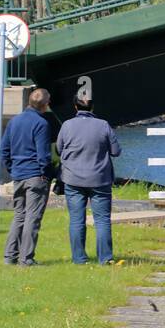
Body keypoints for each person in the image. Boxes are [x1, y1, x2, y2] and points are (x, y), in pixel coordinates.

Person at [56, 96, 121, 265]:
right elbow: (116, 151)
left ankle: (79, 259)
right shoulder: (103, 125)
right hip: (99, 178)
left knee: (77, 220)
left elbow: (59, 149)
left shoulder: (67, 125)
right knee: (102, 220)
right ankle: (105, 258)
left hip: (73, 179)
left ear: (75, 107)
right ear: (92, 108)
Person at [0, 88, 54, 266]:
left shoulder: (14, 121)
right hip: (35, 175)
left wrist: (13, 169)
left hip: (18, 174)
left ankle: (10, 256)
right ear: (45, 105)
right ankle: (26, 258)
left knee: (19, 215)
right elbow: (43, 156)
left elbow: (4, 150)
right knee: (32, 217)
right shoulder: (41, 124)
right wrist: (46, 174)